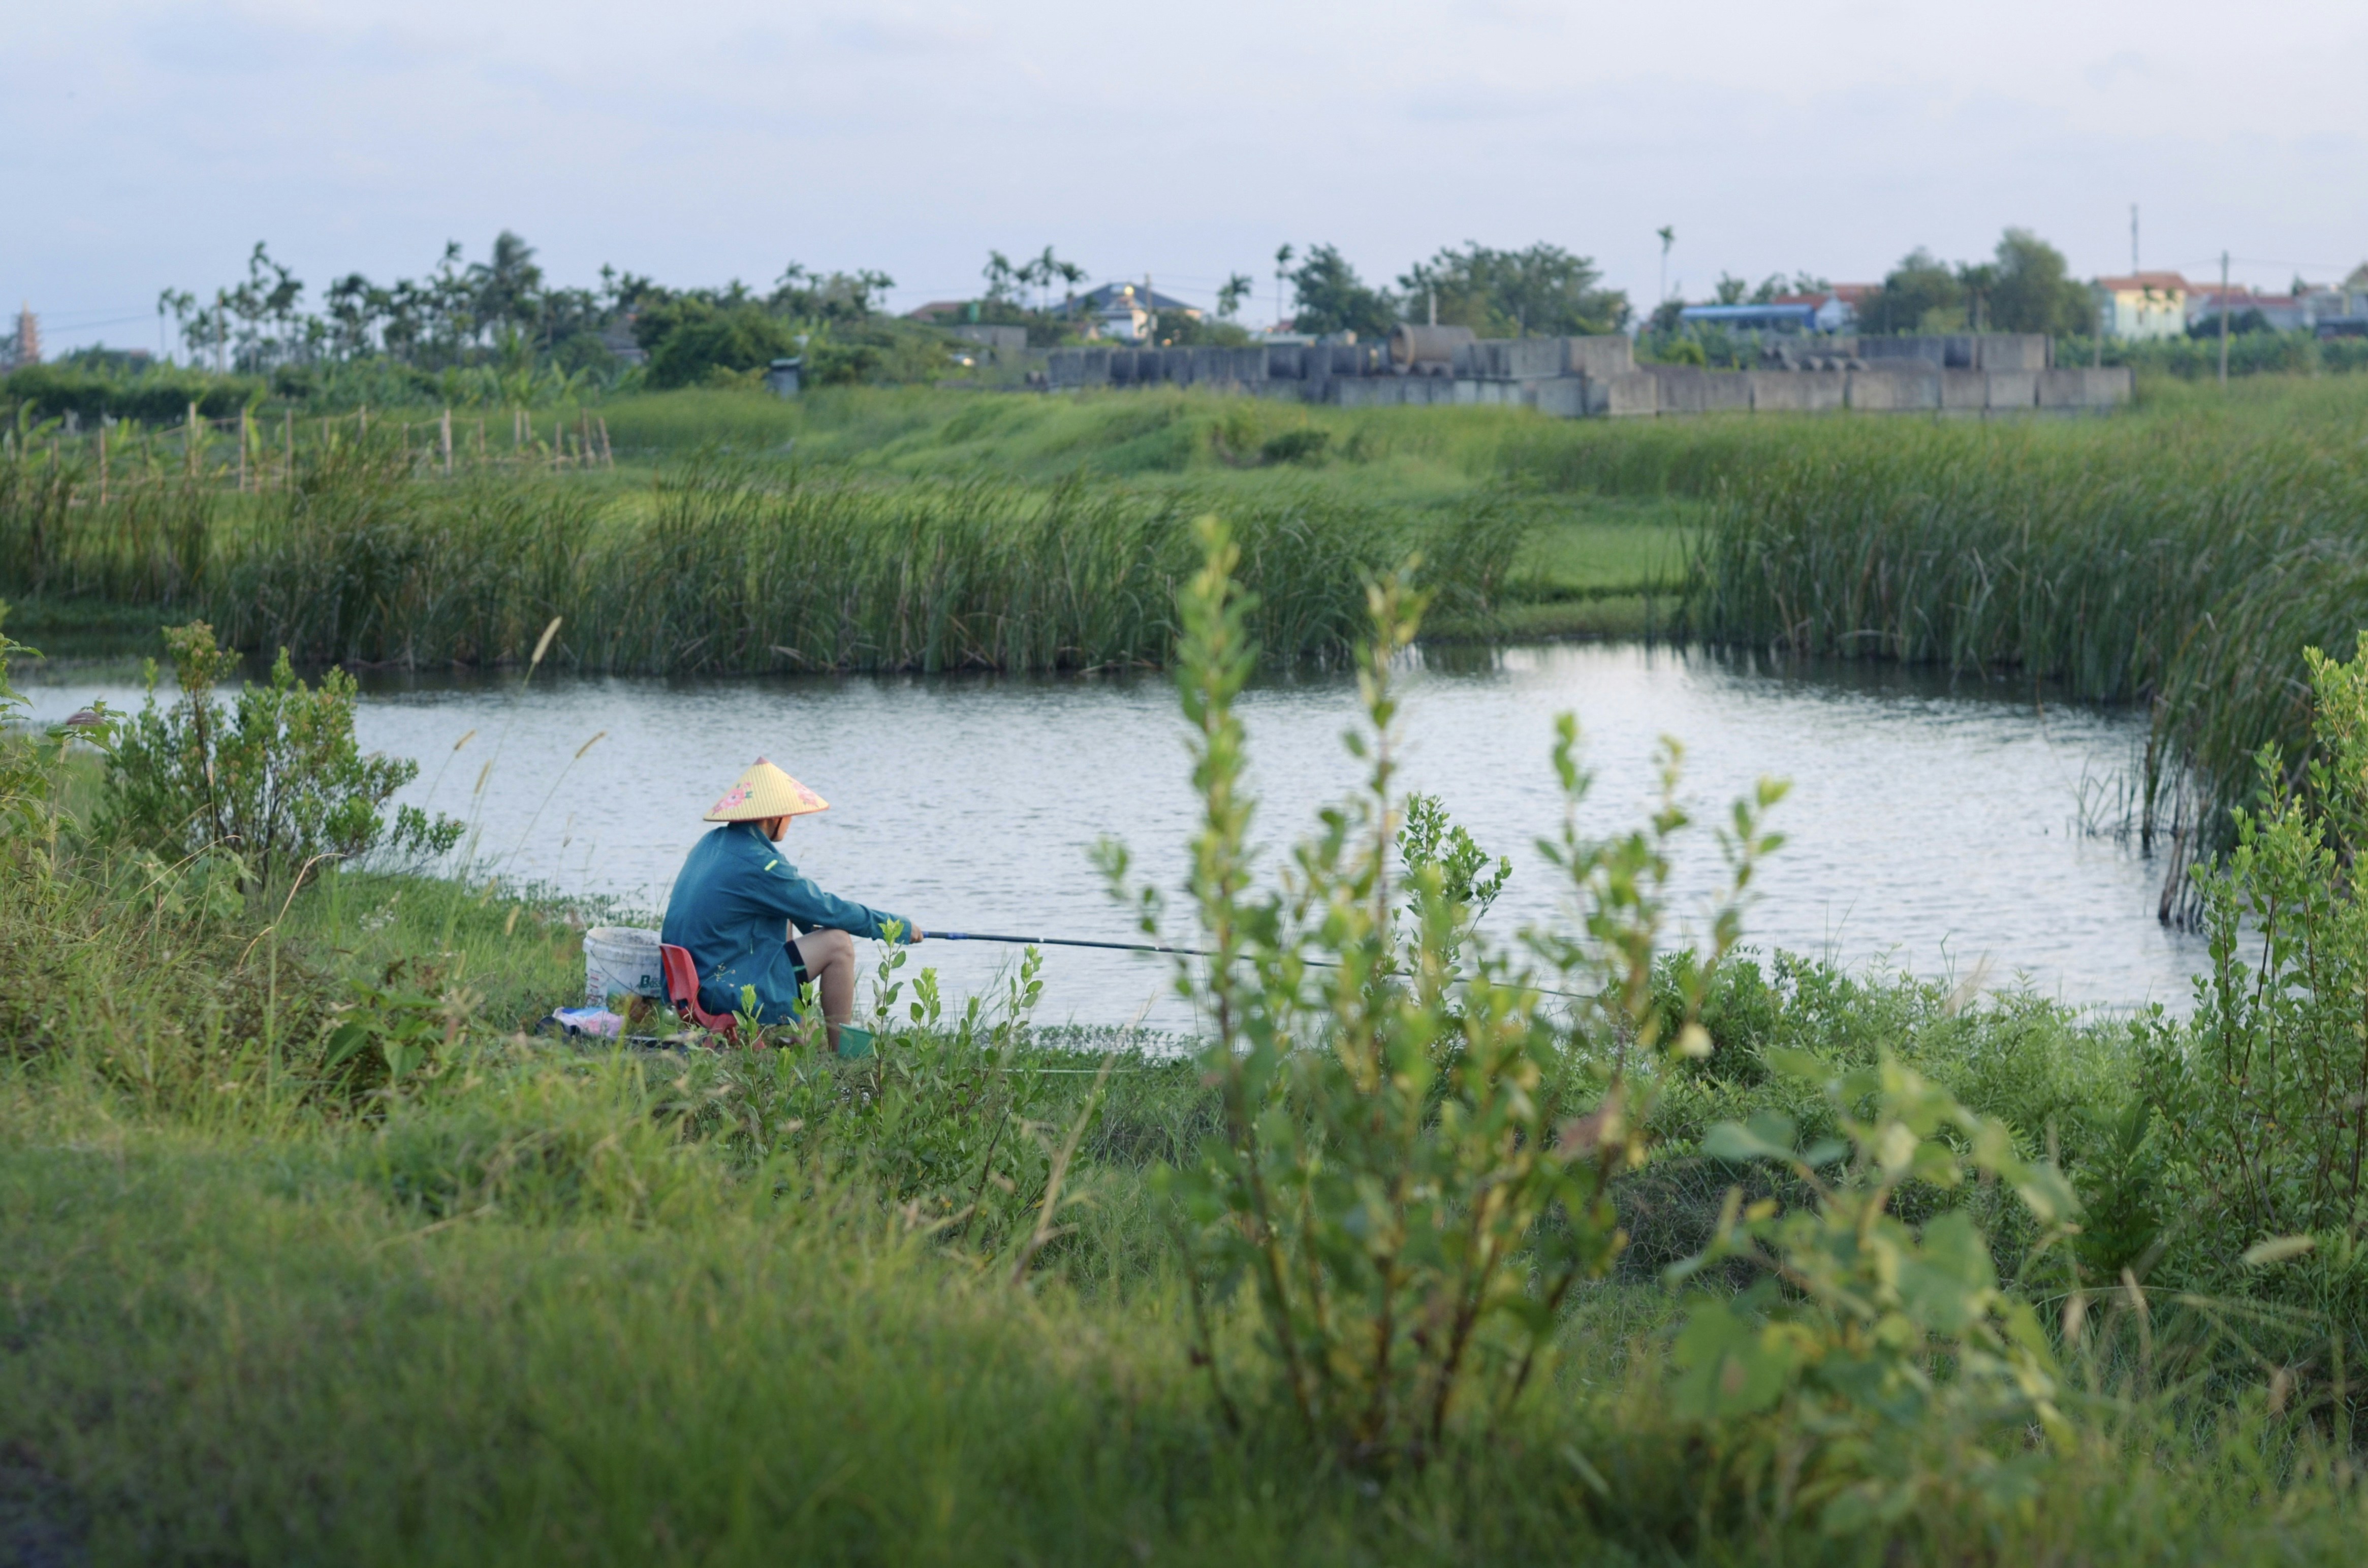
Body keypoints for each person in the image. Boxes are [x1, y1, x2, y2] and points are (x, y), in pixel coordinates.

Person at [660, 758, 920, 1049]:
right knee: (838, 944)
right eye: (791, 815)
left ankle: (802, 1034)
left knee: (783, 916)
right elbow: (825, 907)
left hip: (693, 980)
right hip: (720, 988)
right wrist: (894, 926)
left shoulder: (713, 843)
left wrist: (811, 923)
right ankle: (844, 1053)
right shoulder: (759, 863)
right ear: (775, 817)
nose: (792, 821)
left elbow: (800, 905)